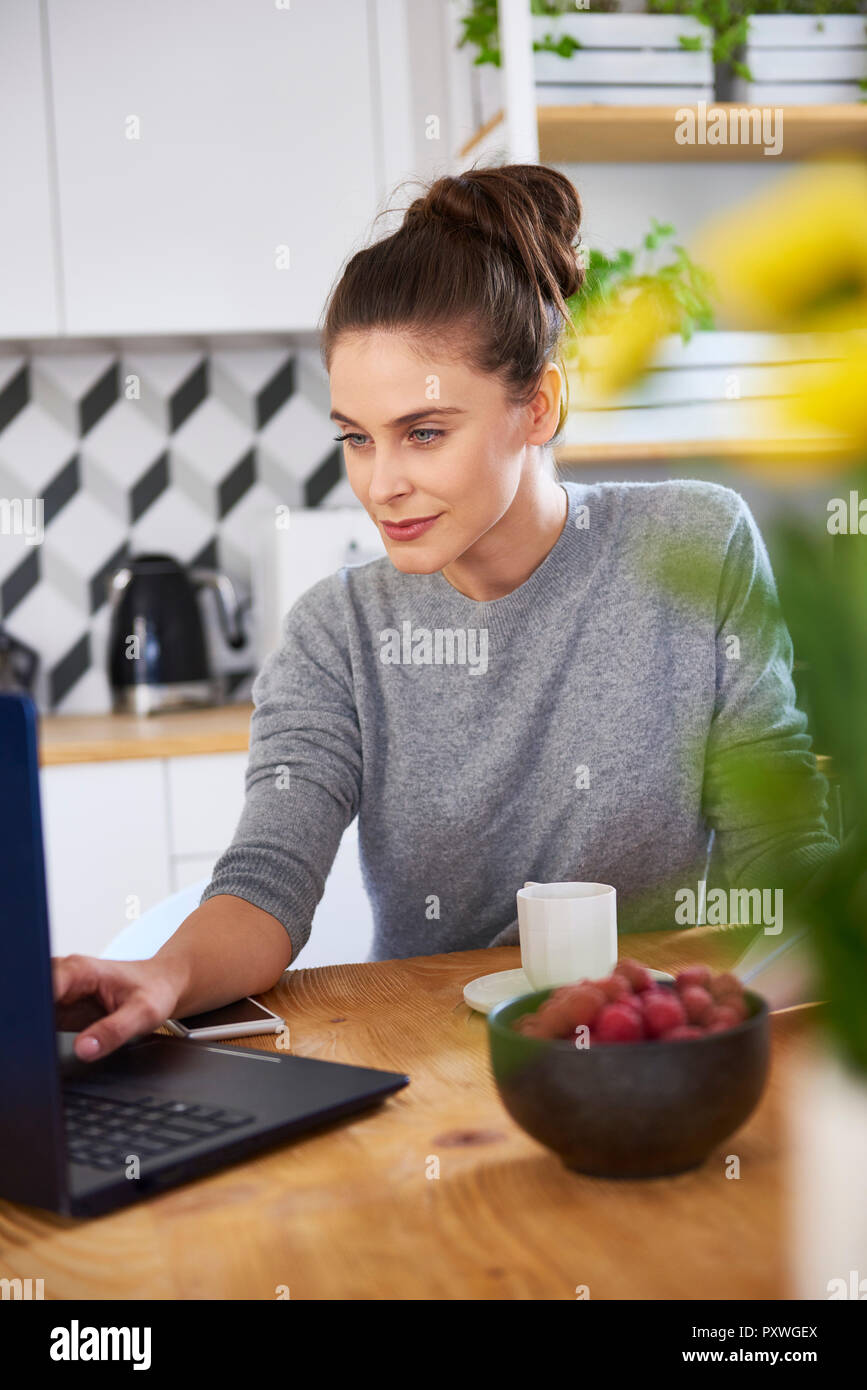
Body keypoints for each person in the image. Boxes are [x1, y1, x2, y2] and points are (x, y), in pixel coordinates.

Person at [54, 164, 837, 1061]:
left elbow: (777, 848)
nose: (381, 484)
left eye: (423, 432)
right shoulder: (335, 632)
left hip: (655, 1048)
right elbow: (267, 882)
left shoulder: (695, 542)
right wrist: (165, 974)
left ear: (536, 406)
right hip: (427, 1063)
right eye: (356, 437)